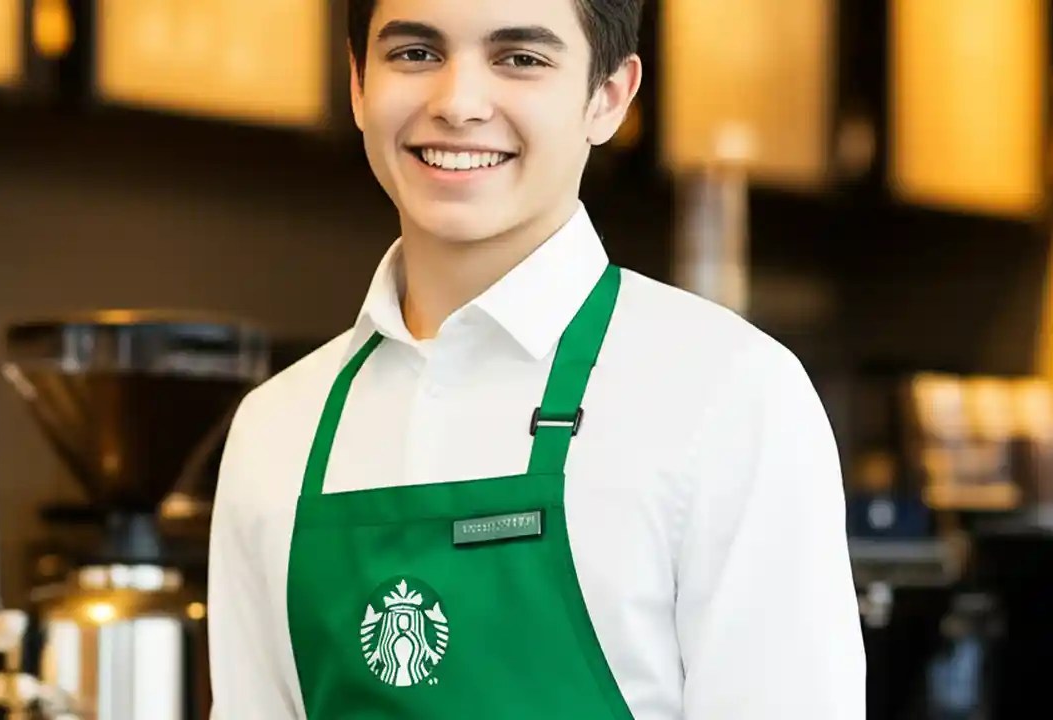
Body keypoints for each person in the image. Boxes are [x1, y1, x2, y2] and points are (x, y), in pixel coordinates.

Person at [207, 0, 866, 716]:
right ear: (359, 84)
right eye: (416, 54)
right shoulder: (276, 428)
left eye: (520, 59)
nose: (458, 103)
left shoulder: (728, 395)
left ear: (608, 96)